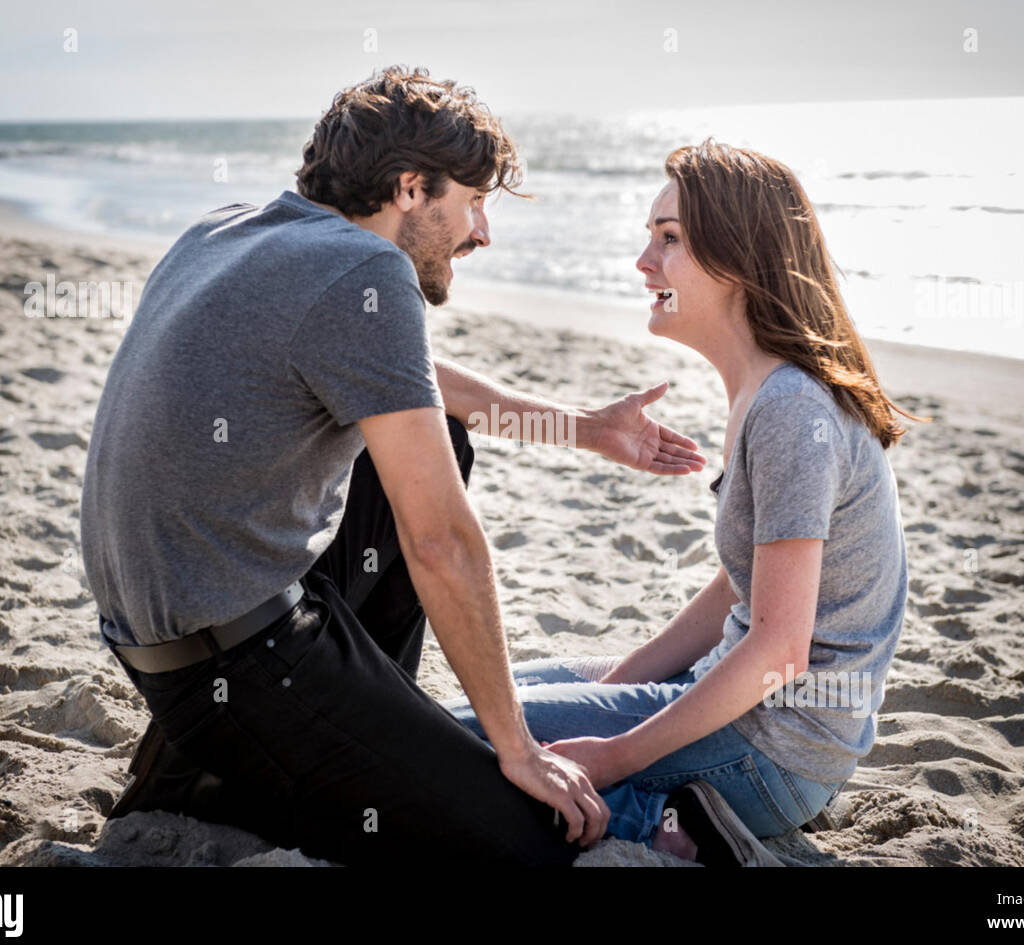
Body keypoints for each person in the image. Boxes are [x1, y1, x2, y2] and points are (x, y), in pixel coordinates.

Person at [82, 66, 707, 866]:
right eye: (473, 202)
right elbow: (441, 540)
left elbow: (409, 385)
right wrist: (516, 746)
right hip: (235, 666)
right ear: (411, 188)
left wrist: (586, 427)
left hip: (161, 642)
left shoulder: (233, 230)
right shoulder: (365, 272)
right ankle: (319, 761)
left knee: (443, 432)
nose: (482, 232)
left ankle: (354, 740)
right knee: (529, 836)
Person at [444, 139, 929, 866]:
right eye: (650, 237)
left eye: (668, 240)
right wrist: (616, 683)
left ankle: (672, 826)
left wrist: (615, 755)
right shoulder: (765, 390)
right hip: (758, 718)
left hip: (777, 755)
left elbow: (780, 649)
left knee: (455, 742)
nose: (644, 262)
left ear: (737, 258)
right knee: (496, 704)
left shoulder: (794, 411)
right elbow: (739, 590)